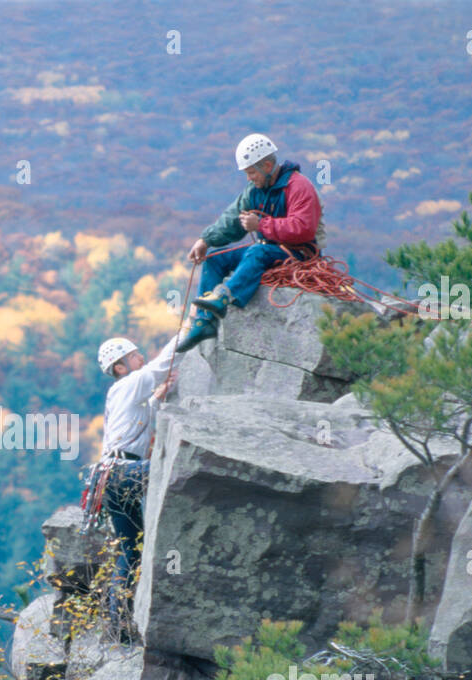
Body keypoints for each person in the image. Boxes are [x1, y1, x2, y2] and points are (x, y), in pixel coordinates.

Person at [177, 133, 325, 352]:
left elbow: (303, 229)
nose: (249, 178)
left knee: (256, 252)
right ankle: (204, 323)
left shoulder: (298, 187)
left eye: (252, 172)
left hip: (298, 253)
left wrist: (262, 225)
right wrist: (205, 240)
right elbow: (232, 219)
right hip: (268, 249)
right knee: (215, 260)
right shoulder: (254, 191)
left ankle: (224, 297)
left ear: (267, 165)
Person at [94, 318, 190, 641]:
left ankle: (118, 625)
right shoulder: (130, 382)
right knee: (180, 471)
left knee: (130, 549)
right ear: (120, 367)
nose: (140, 359)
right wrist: (190, 328)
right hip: (126, 472)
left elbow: (143, 411)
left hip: (110, 476)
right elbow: (162, 365)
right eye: (134, 356)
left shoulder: (121, 392)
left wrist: (159, 396)